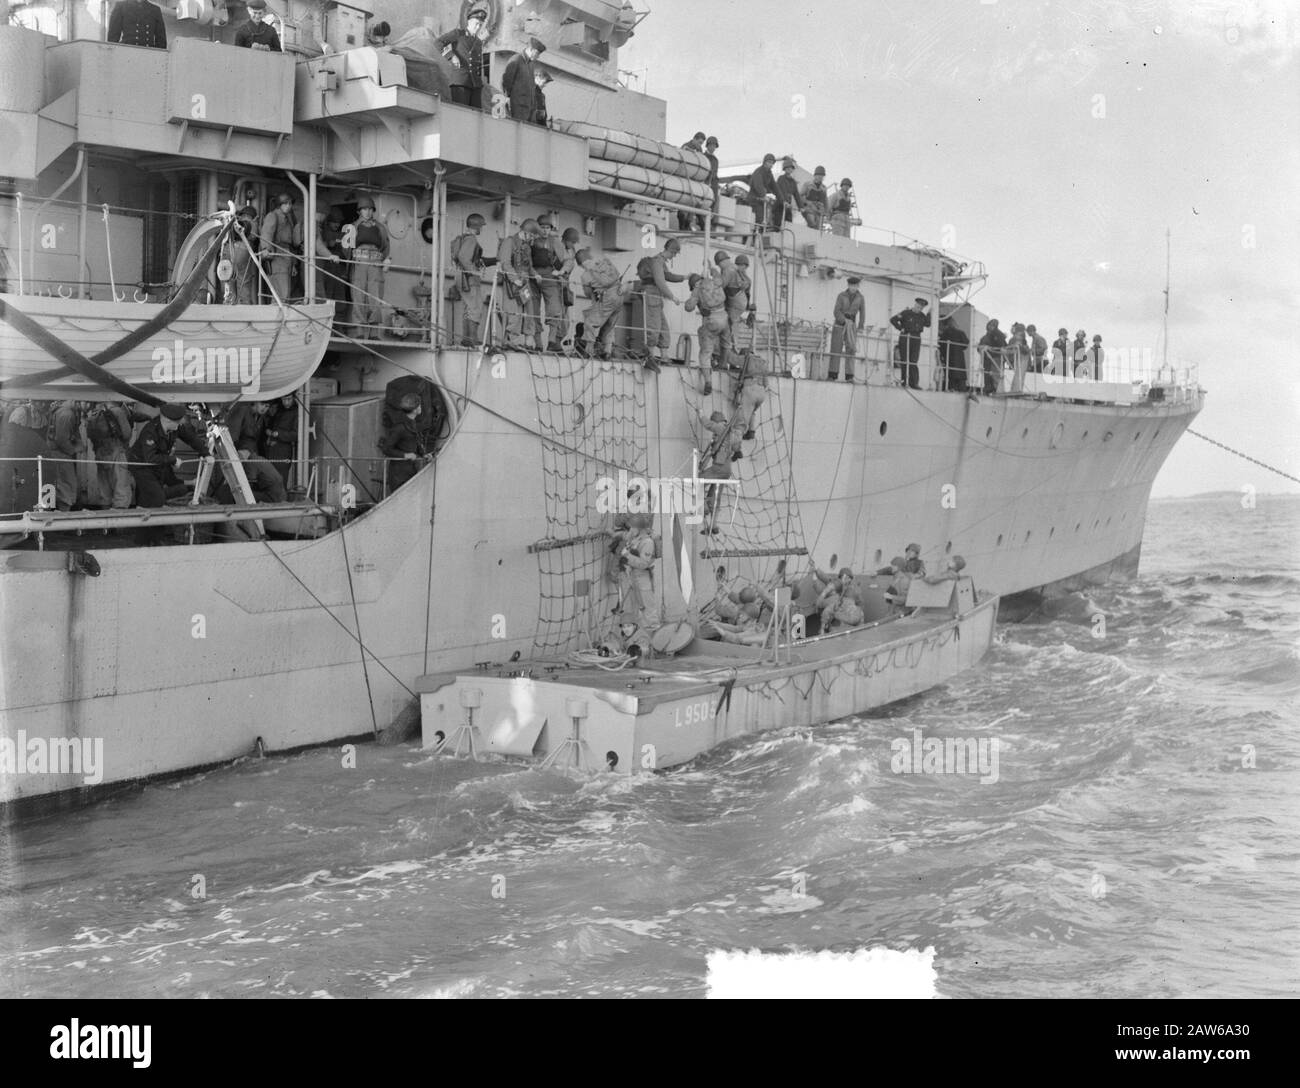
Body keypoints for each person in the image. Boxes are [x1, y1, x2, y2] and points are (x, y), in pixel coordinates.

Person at [129, 404, 190, 522]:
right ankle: (149, 535)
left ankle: (146, 539)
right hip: (141, 466)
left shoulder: (171, 429)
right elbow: (151, 458)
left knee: (150, 500)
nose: (179, 425)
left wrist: (205, 453)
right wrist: (172, 460)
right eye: (177, 422)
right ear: (168, 421)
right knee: (158, 498)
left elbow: (191, 438)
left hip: (156, 466)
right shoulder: (150, 431)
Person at [86, 401, 146, 509]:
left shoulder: (95, 412)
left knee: (104, 489)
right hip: (116, 452)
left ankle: (105, 522)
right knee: (121, 487)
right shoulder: (118, 411)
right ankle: (119, 521)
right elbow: (127, 434)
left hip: (100, 452)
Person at [635, 237, 683, 370]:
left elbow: (668, 276)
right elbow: (661, 281)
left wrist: (685, 277)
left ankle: (664, 355)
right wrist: (672, 297)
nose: (673, 256)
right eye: (674, 254)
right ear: (672, 251)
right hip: (652, 295)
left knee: (663, 327)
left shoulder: (660, 262)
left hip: (656, 296)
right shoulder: (657, 261)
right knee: (654, 326)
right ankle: (649, 355)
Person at [350, 194, 391, 338]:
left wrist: (386, 260)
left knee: (375, 296)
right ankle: (360, 331)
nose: (367, 212)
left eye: (370, 209)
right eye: (364, 209)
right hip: (359, 264)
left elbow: (385, 246)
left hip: (375, 263)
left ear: (373, 210)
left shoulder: (380, 227)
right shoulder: (353, 227)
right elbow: (346, 248)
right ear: (359, 211)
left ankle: (374, 332)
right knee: (358, 295)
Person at [684, 269, 730, 394]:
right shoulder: (714, 281)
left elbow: (688, 307)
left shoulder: (697, 290)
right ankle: (723, 364)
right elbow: (721, 278)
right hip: (725, 317)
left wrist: (691, 300)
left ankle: (708, 381)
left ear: (693, 284)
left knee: (705, 351)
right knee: (725, 343)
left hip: (712, 320)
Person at [497, 218, 541, 349]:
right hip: (512, 283)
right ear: (526, 232)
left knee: (529, 312)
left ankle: (528, 342)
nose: (532, 238)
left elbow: (529, 266)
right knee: (513, 312)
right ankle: (510, 341)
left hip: (524, 283)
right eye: (532, 235)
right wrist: (514, 278)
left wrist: (535, 274)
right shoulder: (509, 242)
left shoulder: (527, 246)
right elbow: (505, 262)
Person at [576, 247, 626, 359]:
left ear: (579, 264)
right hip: (619, 295)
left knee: (590, 321)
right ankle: (607, 350)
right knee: (610, 323)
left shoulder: (585, 275)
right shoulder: (605, 262)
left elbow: (588, 293)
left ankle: (589, 350)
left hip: (606, 298)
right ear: (590, 257)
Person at [530, 215, 568, 351]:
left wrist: (561, 271)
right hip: (532, 276)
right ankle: (538, 344)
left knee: (554, 309)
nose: (545, 230)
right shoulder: (531, 240)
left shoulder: (555, 242)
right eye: (542, 227)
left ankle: (551, 341)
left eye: (547, 228)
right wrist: (533, 274)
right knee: (532, 310)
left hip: (549, 276)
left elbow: (568, 260)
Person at [436, 7, 488, 108]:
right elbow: (438, 42)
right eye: (476, 24)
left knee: (475, 117)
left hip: (475, 84)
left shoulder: (478, 42)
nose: (478, 27)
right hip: (460, 82)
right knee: (462, 114)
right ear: (469, 22)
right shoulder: (458, 34)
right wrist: (451, 56)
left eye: (480, 25)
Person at [451, 212, 489, 345]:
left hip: (461, 277)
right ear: (477, 226)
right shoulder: (471, 239)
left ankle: (466, 339)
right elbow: (463, 257)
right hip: (469, 279)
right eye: (481, 227)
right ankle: (472, 339)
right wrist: (475, 272)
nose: (482, 229)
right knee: (475, 308)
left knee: (468, 308)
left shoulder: (462, 238)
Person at [378, 394, 428, 493]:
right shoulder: (399, 428)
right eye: (419, 405)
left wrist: (424, 455)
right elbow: (386, 449)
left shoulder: (413, 424)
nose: (420, 407)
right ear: (414, 409)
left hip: (410, 470)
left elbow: (415, 443)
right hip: (399, 474)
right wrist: (405, 455)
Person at [618, 512, 658, 629]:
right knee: (635, 611)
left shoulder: (647, 542)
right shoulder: (635, 540)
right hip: (632, 578)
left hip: (642, 578)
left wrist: (627, 555)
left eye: (633, 527)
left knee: (648, 610)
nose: (631, 529)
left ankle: (655, 636)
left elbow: (644, 564)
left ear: (639, 529)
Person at [260, 192, 300, 302]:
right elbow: (266, 233)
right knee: (281, 293)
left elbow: (290, 245)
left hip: (286, 256)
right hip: (277, 256)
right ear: (279, 204)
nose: (289, 206)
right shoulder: (273, 216)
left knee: (285, 293)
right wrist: (266, 249)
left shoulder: (289, 219)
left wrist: (294, 264)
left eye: (290, 203)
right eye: (285, 203)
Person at [45, 400, 85, 510]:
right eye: (84, 402)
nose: (87, 405)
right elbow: (62, 439)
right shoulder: (67, 414)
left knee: (62, 484)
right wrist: (74, 450)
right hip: (61, 455)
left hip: (57, 454)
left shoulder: (60, 411)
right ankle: (64, 515)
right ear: (75, 401)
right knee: (67, 484)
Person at [317, 205, 351, 327]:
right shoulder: (322, 232)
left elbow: (346, 253)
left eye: (338, 222)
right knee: (327, 299)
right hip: (327, 270)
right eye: (334, 222)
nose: (337, 224)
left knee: (340, 300)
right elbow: (321, 246)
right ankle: (328, 328)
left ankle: (339, 327)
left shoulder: (341, 235)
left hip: (339, 271)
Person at [501, 38, 546, 121]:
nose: (538, 56)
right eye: (537, 53)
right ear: (531, 49)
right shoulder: (516, 60)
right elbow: (507, 80)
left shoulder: (531, 65)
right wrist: (507, 97)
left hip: (529, 108)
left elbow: (531, 87)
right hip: (518, 106)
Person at [829, 276, 865, 381]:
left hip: (852, 325)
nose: (853, 288)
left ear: (858, 286)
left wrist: (861, 326)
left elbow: (862, 312)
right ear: (848, 285)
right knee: (836, 348)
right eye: (851, 285)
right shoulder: (841, 296)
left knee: (851, 349)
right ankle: (832, 374)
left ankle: (849, 376)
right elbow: (836, 311)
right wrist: (843, 320)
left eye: (855, 286)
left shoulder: (860, 298)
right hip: (840, 324)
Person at [890, 297, 930, 389]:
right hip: (905, 337)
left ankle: (914, 383)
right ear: (915, 304)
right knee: (905, 360)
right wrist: (900, 328)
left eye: (921, 307)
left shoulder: (922, 316)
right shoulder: (906, 313)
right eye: (918, 306)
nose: (919, 308)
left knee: (913, 361)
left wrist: (929, 314)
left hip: (916, 337)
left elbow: (928, 324)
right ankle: (904, 381)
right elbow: (893, 320)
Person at [261, 393, 298, 489]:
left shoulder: (297, 412)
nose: (286, 402)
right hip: (270, 449)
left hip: (283, 451)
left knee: (281, 480)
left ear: (294, 398)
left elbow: (295, 434)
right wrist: (268, 430)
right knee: (269, 479)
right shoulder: (279, 411)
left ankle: (281, 501)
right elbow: (272, 425)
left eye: (289, 399)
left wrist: (278, 434)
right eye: (284, 399)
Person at [225, 205, 260, 306]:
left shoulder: (232, 222)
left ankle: (228, 303)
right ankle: (244, 305)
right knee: (243, 279)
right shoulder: (252, 223)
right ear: (254, 216)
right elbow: (253, 237)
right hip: (243, 250)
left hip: (228, 250)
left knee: (228, 278)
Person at [733, 348, 768, 440]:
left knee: (742, 419)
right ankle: (751, 431)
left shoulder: (746, 359)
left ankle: (737, 444)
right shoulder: (762, 361)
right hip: (761, 392)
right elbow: (766, 384)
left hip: (750, 389)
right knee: (752, 410)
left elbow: (732, 360)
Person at [817, 567, 864, 632]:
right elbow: (828, 579)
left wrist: (836, 615)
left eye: (847, 578)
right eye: (844, 577)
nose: (845, 580)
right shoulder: (837, 588)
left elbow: (855, 617)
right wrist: (817, 570)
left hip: (847, 623)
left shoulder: (853, 591)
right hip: (842, 617)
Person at [723, 253, 754, 345]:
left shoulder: (745, 277)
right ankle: (732, 345)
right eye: (742, 266)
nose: (743, 268)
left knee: (733, 325)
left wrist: (749, 307)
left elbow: (747, 292)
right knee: (731, 325)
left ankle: (733, 345)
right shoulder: (732, 273)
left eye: (745, 266)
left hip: (737, 306)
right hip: (731, 305)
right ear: (738, 265)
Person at [747, 154, 779, 232]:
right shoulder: (759, 171)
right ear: (765, 162)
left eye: (772, 163)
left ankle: (758, 236)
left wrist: (781, 199)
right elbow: (758, 185)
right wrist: (763, 195)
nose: (771, 164)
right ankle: (753, 238)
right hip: (754, 200)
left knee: (764, 219)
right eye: (769, 162)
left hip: (761, 201)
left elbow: (775, 187)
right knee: (758, 219)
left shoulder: (769, 174)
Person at [937, 315, 969, 392]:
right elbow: (965, 344)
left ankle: (951, 389)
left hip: (949, 361)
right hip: (960, 363)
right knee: (961, 385)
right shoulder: (960, 333)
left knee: (951, 381)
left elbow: (941, 347)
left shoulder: (944, 335)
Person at [978, 319, 1007, 394]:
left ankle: (997, 390)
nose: (990, 326)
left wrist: (990, 348)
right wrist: (982, 348)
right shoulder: (985, 336)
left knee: (995, 375)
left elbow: (1002, 345)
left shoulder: (999, 335)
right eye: (990, 325)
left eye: (993, 325)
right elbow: (980, 347)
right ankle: (989, 389)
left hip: (995, 357)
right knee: (987, 374)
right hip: (987, 358)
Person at [775, 157, 804, 227]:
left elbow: (796, 195)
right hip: (780, 205)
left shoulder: (793, 182)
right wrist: (784, 201)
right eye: (787, 168)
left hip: (788, 206)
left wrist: (801, 206)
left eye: (790, 168)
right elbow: (781, 191)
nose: (789, 169)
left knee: (789, 224)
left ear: (792, 169)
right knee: (778, 225)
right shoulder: (781, 179)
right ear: (784, 169)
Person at [1005, 322, 1030, 393]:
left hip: (1017, 359)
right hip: (1018, 359)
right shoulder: (1022, 340)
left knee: (1017, 375)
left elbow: (1013, 349)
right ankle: (1016, 389)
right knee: (1018, 376)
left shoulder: (1014, 339)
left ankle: (1015, 389)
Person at [703, 136, 721, 229]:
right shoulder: (703, 157)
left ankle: (708, 224)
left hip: (713, 183)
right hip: (706, 182)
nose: (713, 147)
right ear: (707, 146)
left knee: (713, 202)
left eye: (714, 145)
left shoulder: (715, 159)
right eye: (711, 145)